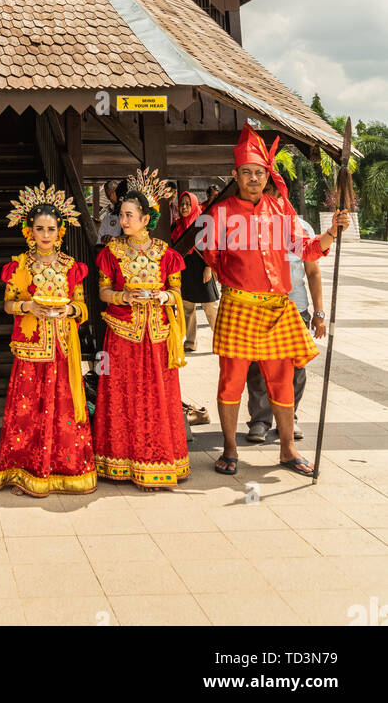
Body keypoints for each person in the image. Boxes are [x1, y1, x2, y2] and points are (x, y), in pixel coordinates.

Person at [199, 124, 350, 477]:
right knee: (231, 381)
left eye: (259, 172)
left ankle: (288, 449)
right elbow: (212, 258)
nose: (253, 178)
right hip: (238, 306)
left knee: (282, 380)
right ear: (234, 175)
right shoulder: (220, 215)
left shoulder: (281, 211)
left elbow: (307, 249)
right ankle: (230, 449)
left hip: (279, 308)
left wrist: (331, 232)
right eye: (247, 172)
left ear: (267, 174)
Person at [0, 182, 97, 497]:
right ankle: (24, 471)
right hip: (30, 347)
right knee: (27, 411)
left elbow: (83, 309)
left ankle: (65, 470)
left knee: (64, 411)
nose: (46, 234)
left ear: (60, 230)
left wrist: (69, 308)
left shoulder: (70, 267)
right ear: (30, 231)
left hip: (63, 347)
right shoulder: (20, 266)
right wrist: (28, 306)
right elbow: (8, 304)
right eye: (40, 228)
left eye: (51, 228)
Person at [93, 170, 190, 489]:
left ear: (146, 218)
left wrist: (162, 295)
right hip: (121, 333)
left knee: (157, 394)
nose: (123, 220)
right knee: (121, 393)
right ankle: (120, 463)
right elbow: (103, 293)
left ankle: (160, 462)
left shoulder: (166, 253)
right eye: (121, 215)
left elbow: (176, 293)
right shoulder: (111, 252)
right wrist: (123, 296)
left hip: (158, 333)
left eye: (129, 215)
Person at [246, 215, 325, 443]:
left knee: (296, 367)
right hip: (261, 308)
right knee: (258, 367)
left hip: (295, 307)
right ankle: (260, 420)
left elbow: (312, 271)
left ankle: (290, 417)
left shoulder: (301, 226)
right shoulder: (250, 226)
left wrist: (319, 313)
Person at [171, 190, 219, 352]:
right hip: (185, 269)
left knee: (210, 306)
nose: (184, 207)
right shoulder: (177, 225)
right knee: (187, 308)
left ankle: (221, 340)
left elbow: (211, 245)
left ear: (194, 204)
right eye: (182, 204)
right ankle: (191, 342)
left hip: (202, 266)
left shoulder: (203, 222)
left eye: (187, 204)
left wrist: (208, 267)